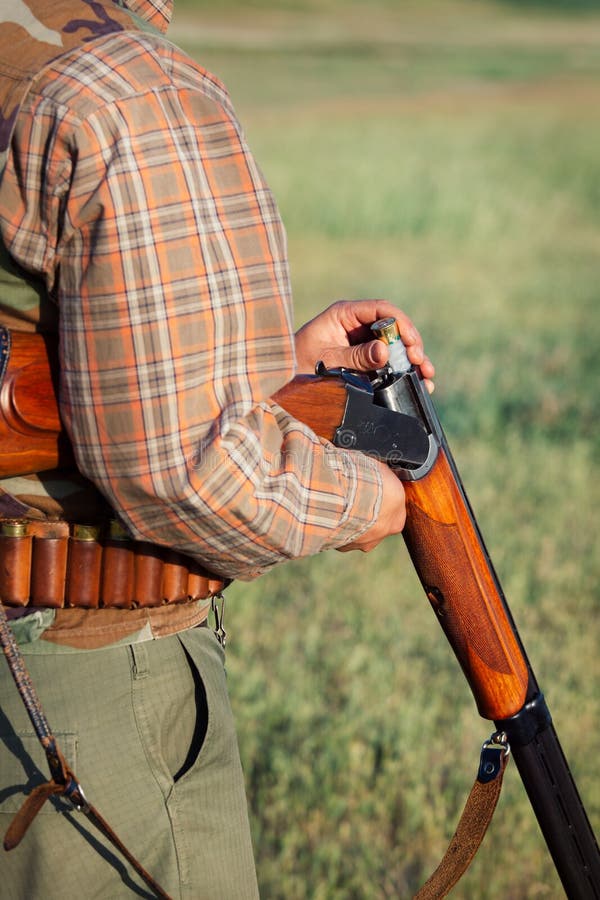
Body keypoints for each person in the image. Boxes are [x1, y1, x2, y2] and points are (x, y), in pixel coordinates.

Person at [0, 1, 434, 897]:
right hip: (78, 681)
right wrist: (368, 501)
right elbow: (190, 469)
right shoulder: (123, 86)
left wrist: (273, 363)